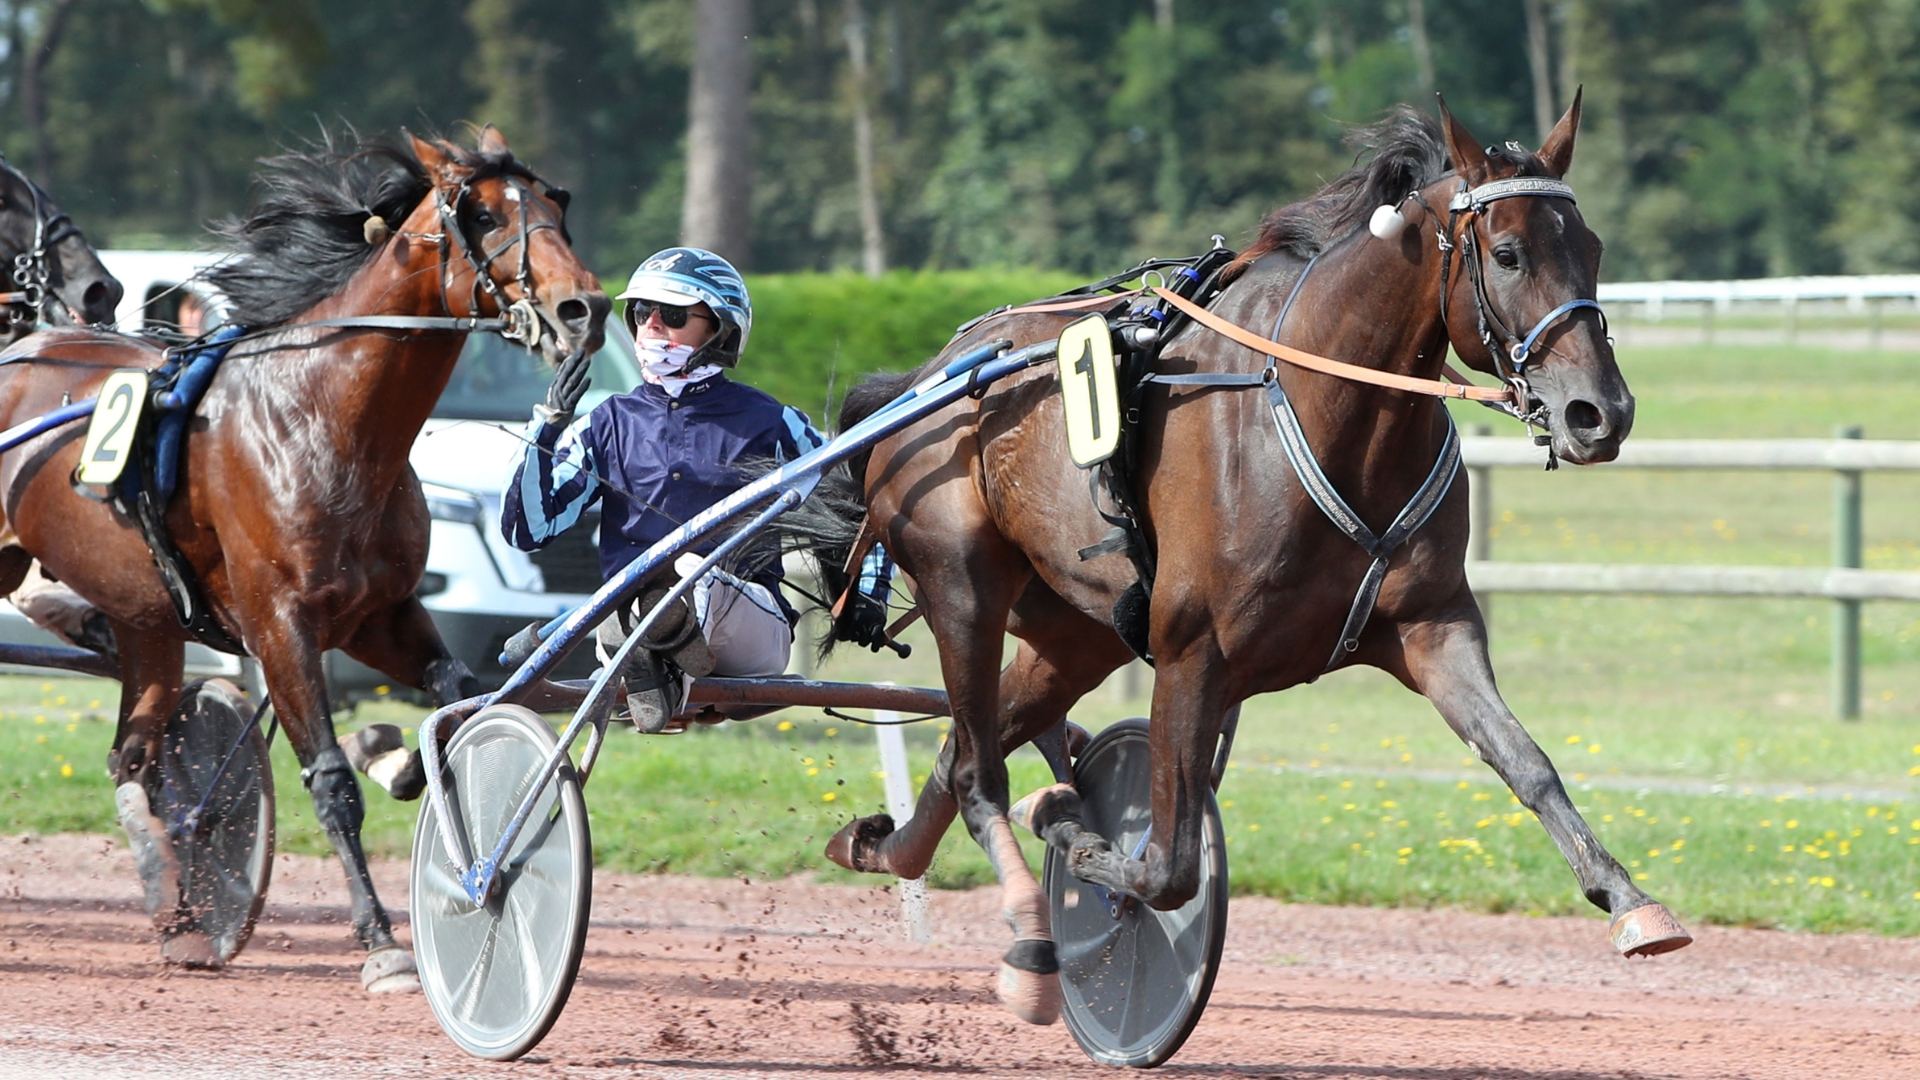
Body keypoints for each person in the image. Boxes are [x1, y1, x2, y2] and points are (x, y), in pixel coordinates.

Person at [500, 247, 890, 731]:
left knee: (685, 569)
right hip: (628, 624)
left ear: (719, 330)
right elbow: (527, 530)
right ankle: (653, 666)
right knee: (637, 597)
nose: (652, 325)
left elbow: (860, 507)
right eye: (642, 311)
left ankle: (655, 673)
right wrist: (546, 430)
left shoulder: (774, 423)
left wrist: (869, 595)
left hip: (750, 634)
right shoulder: (603, 425)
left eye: (674, 315)